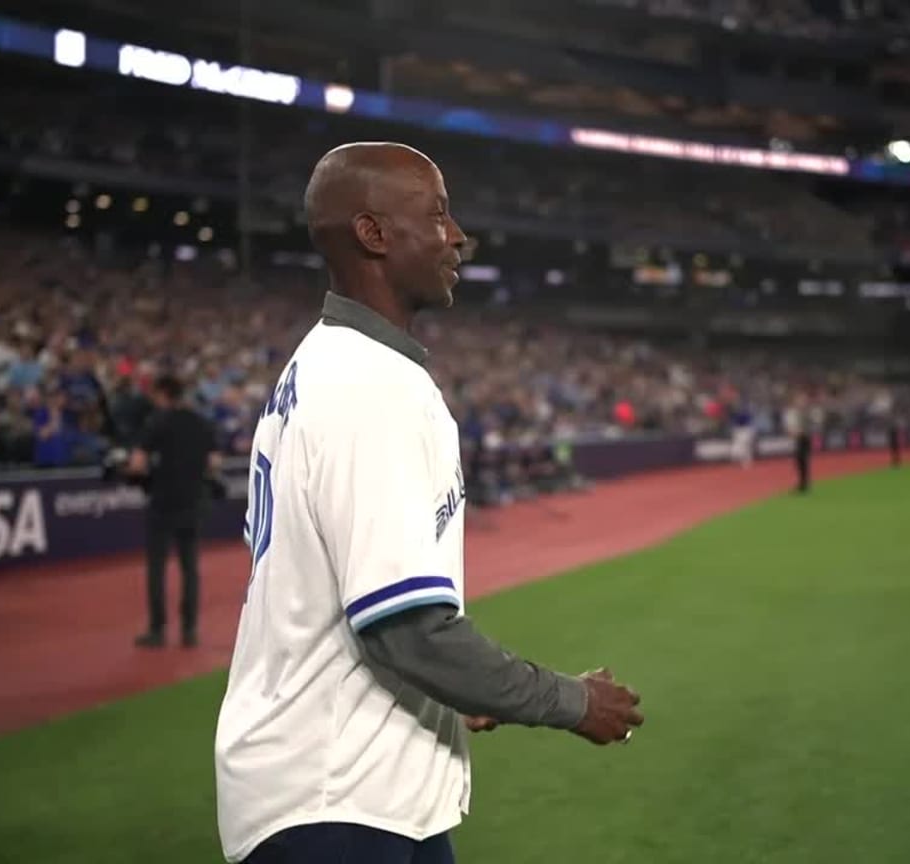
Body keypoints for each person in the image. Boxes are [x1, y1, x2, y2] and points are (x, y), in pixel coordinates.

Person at [214, 142, 644, 864]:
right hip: (333, 797)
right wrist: (572, 703)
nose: (457, 236)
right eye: (437, 214)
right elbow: (405, 629)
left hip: (368, 784)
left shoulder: (323, 364)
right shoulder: (369, 386)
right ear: (373, 234)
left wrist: (450, 688)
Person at [127, 374, 220, 649]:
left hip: (163, 503)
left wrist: (141, 474)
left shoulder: (158, 422)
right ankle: (189, 630)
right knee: (190, 568)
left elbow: (138, 462)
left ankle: (158, 630)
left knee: (157, 568)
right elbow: (214, 463)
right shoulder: (200, 422)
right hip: (192, 502)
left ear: (163, 394)